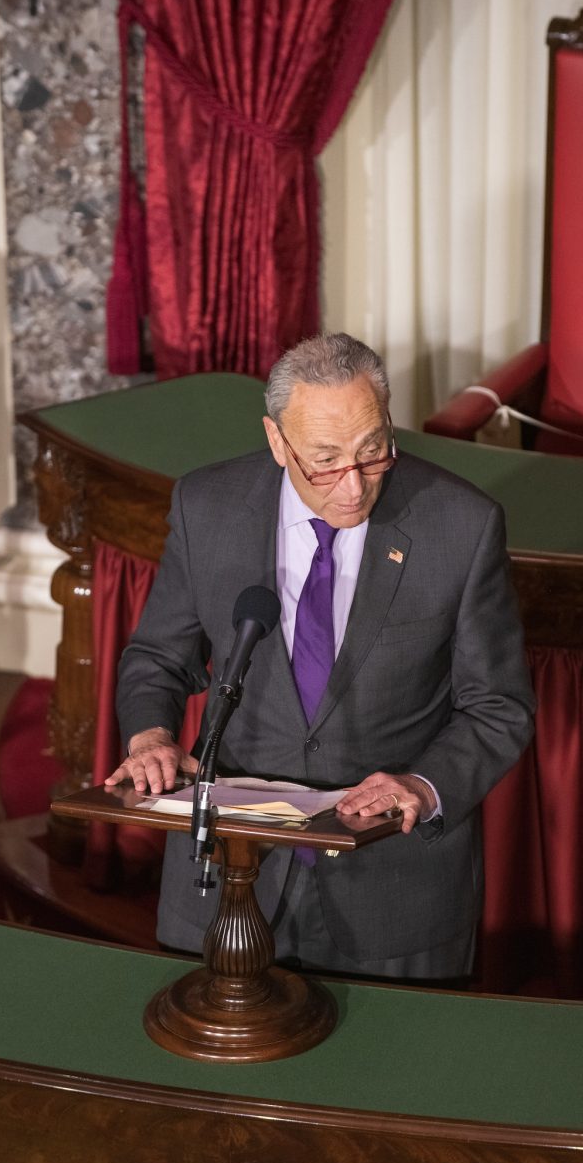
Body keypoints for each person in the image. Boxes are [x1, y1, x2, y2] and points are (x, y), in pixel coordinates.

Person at [107, 333, 535, 981]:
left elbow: (498, 707)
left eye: (373, 451)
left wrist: (421, 784)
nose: (354, 485)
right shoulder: (208, 509)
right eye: (326, 460)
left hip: (393, 885)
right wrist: (151, 736)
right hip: (231, 872)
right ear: (278, 442)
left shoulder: (461, 526)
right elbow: (157, 659)